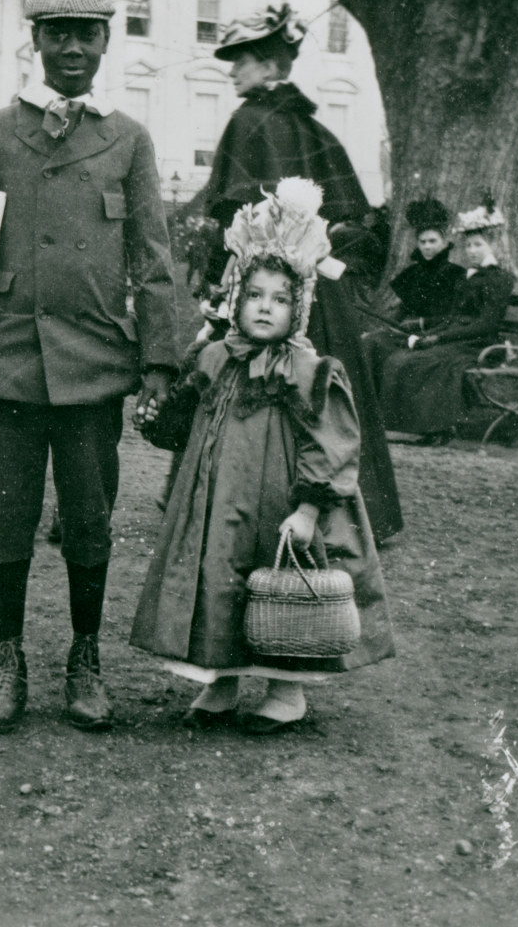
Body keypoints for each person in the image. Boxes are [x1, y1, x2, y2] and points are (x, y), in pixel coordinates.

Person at [0, 0, 179, 735]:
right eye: (55, 32)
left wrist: (159, 359)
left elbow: (153, 257)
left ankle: (85, 658)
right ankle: (7, 661)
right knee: (7, 517)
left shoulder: (126, 139)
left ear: (105, 41)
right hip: (7, 364)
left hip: (95, 364)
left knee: (90, 519)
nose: (70, 47)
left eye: (85, 33)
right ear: (34, 41)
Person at [130, 181, 394, 732]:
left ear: (298, 306)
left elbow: (332, 442)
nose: (266, 308)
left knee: (281, 586)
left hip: (281, 498)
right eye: (255, 296)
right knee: (218, 574)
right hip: (218, 495)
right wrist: (162, 416)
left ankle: (285, 689)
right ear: (235, 298)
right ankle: (220, 681)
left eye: (280, 298)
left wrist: (309, 508)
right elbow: (188, 420)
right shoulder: (215, 357)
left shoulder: (309, 370)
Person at [194, 2, 405, 543]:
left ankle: (246, 506)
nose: (232, 70)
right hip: (317, 296)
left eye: (241, 59)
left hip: (261, 293)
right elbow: (356, 221)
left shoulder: (247, 122)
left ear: (269, 66)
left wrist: (216, 283)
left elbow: (227, 216)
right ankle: (356, 509)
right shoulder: (313, 129)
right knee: (325, 388)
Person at [371, 200, 516, 443]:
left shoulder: (499, 279)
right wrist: (428, 333)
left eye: (478, 245)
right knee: (403, 357)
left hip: (478, 344)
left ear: (493, 246)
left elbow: (486, 325)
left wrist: (439, 338)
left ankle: (428, 428)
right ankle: (406, 425)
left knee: (416, 362)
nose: (472, 251)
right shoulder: (469, 278)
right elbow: (452, 319)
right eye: (468, 245)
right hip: (458, 338)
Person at [386, 198, 465, 330]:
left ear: (444, 243)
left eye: (432, 241)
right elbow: (404, 308)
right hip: (409, 332)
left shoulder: (456, 274)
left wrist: (420, 324)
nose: (427, 247)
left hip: (438, 333)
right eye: (423, 242)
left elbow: (454, 317)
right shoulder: (413, 273)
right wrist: (390, 328)